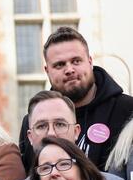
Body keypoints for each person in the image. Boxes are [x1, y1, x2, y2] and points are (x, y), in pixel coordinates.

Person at [18, 27, 133, 171]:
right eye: (59, 65)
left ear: (90, 62)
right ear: (47, 71)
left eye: (76, 61)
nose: (69, 69)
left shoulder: (127, 111)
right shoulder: (34, 123)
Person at [6, 91, 128, 180]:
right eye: (41, 126)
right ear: (30, 137)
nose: (51, 133)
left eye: (60, 124)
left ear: (76, 132)